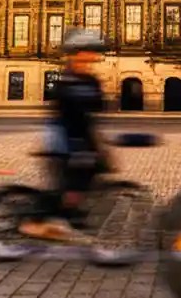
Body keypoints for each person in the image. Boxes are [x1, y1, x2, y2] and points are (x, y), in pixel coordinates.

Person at [19, 28, 113, 241]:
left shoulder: (90, 81)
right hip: (61, 136)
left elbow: (94, 113)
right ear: (78, 52)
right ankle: (36, 221)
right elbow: (66, 116)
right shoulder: (67, 81)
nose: (94, 56)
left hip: (81, 134)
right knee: (66, 181)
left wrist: (99, 145)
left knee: (86, 176)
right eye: (90, 51)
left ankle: (66, 216)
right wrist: (82, 146)